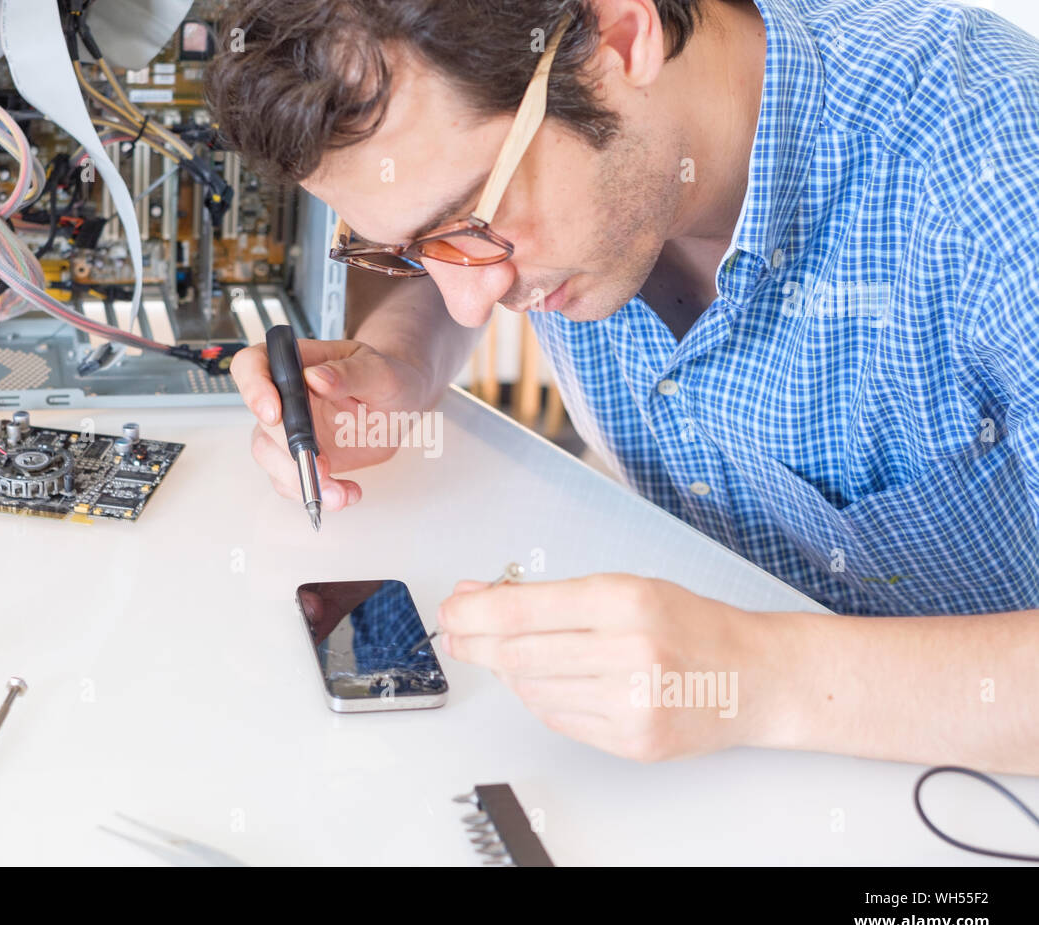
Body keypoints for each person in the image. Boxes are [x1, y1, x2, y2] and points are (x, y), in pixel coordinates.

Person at [206, 0, 1039, 773]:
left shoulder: (995, 177)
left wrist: (756, 678)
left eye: (469, 227)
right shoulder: (602, 162)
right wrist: (399, 364)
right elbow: (453, 279)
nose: (474, 295)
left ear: (621, 36)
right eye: (411, 248)